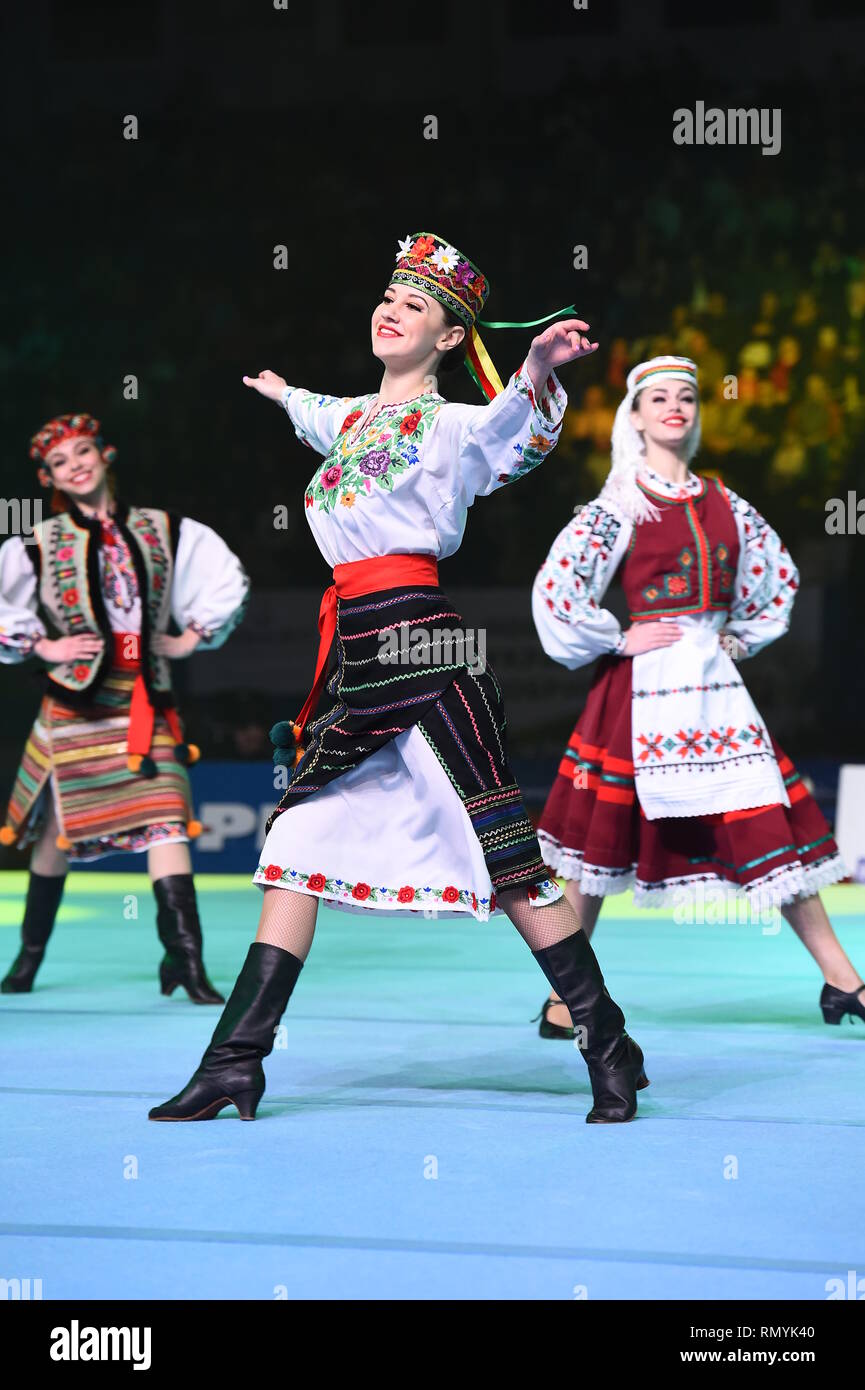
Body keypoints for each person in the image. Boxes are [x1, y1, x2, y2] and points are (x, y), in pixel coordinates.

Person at [149, 230, 648, 1125]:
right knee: (293, 850)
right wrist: (278, 394)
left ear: (452, 338)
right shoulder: (350, 419)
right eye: (389, 294)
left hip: (424, 651)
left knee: (509, 863)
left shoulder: (455, 425)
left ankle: (607, 1043)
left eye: (415, 305)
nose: (391, 308)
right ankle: (234, 1063)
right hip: (358, 655)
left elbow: (519, 432)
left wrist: (534, 365)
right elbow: (314, 411)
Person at [531, 356, 860, 1040]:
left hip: (713, 689)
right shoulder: (620, 501)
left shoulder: (725, 502)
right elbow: (557, 587)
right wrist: (617, 638)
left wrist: (736, 639)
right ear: (637, 415)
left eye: (685, 397)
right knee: (597, 853)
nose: (674, 407)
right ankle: (568, 999)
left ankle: (842, 979)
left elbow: (777, 577)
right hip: (638, 690)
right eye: (659, 398)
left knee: (766, 826)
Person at [0, 412, 249, 1001]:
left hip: (144, 699)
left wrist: (191, 635)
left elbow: (224, 578)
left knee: (166, 817)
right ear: (49, 476)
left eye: (83, 451)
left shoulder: (162, 528)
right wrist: (45, 643)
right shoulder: (39, 542)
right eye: (61, 462)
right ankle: (28, 958)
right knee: (55, 830)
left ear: (105, 454)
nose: (75, 465)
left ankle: (187, 961)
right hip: (76, 704)